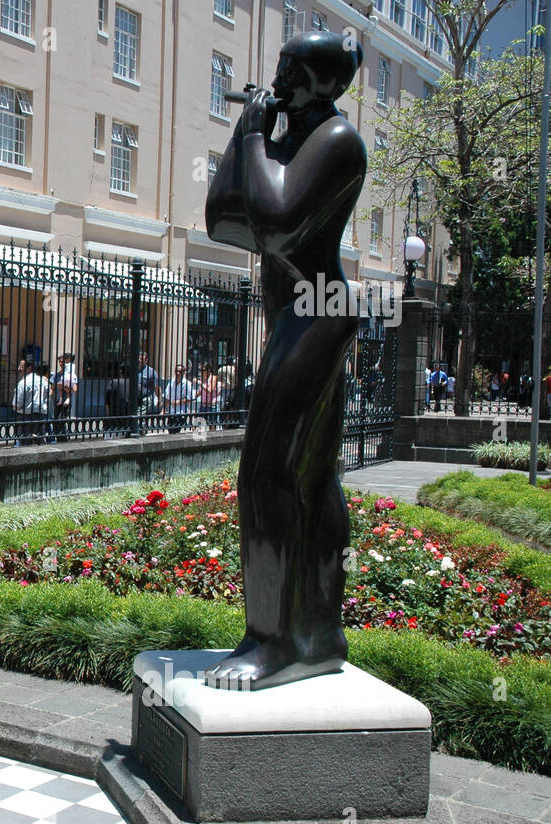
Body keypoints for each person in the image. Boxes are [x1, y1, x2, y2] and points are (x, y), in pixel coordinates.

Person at [203, 30, 367, 689]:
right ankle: (318, 635)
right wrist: (250, 139)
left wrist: (249, 139)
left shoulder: (336, 142)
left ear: (322, 83)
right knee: (311, 476)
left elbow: (272, 223)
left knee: (266, 472)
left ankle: (270, 640)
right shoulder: (287, 144)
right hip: (295, 316)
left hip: (317, 312)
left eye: (291, 70)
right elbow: (223, 217)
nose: (276, 78)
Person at [12, 359, 51, 445]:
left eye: (22, 367)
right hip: (40, 415)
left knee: (25, 443)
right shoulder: (43, 382)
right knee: (41, 442)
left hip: (25, 416)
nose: (20, 369)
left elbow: (17, 404)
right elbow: (47, 399)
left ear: (29, 368)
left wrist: (16, 407)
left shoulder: (23, 383)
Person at [162, 364, 198, 434]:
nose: (178, 373)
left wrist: (179, 402)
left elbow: (191, 398)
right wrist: (163, 410)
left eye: (180, 371)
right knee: (171, 432)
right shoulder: (171, 382)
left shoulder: (187, 384)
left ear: (184, 372)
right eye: (176, 371)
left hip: (180, 412)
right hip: (171, 412)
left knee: (175, 432)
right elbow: (167, 397)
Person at [51, 353, 79, 441]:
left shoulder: (71, 375)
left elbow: (74, 389)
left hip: (66, 402)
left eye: (62, 362)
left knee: (61, 419)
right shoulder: (56, 375)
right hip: (57, 400)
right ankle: (58, 436)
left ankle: (63, 438)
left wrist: (66, 388)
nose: (60, 364)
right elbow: (52, 388)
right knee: (55, 419)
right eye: (59, 362)